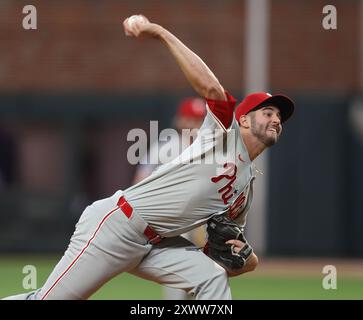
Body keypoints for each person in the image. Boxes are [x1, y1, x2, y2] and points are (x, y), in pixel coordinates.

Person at [2, 14, 294, 300]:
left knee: (212, 277)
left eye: (279, 116)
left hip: (159, 245)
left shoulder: (245, 191)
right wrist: (160, 33)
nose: (276, 119)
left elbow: (224, 253)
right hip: (118, 226)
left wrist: (249, 259)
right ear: (243, 120)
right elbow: (212, 89)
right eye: (268, 112)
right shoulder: (222, 135)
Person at [133, 97, 207, 300]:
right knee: (177, 285)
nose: (197, 125)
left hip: (202, 224)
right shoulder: (166, 147)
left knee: (204, 284)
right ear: (180, 121)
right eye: (192, 119)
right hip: (171, 221)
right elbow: (140, 181)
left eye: (201, 120)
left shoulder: (212, 150)